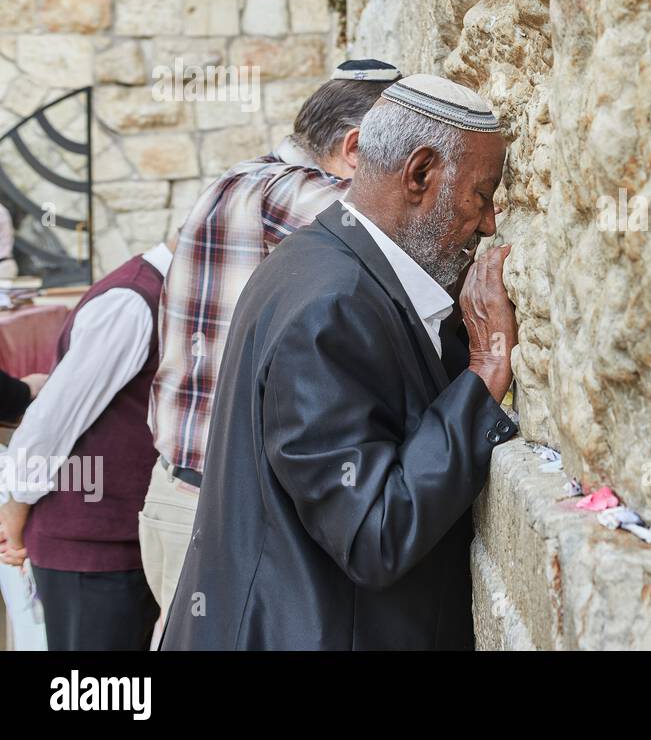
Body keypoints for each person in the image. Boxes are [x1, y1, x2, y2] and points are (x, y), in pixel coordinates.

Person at [161, 74, 519, 650]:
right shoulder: (332, 304)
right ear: (421, 173)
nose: (488, 223)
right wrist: (485, 372)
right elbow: (373, 533)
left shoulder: (329, 262)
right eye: (481, 195)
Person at [141, 59, 400, 630]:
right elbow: (408, 247)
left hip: (174, 492)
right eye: (405, 162)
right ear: (356, 149)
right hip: (222, 513)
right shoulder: (307, 200)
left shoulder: (232, 180)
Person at [0, 237, 175, 649]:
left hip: (120, 541)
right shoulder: (132, 302)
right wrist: (16, 507)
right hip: (90, 549)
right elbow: (49, 421)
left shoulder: (166, 293)